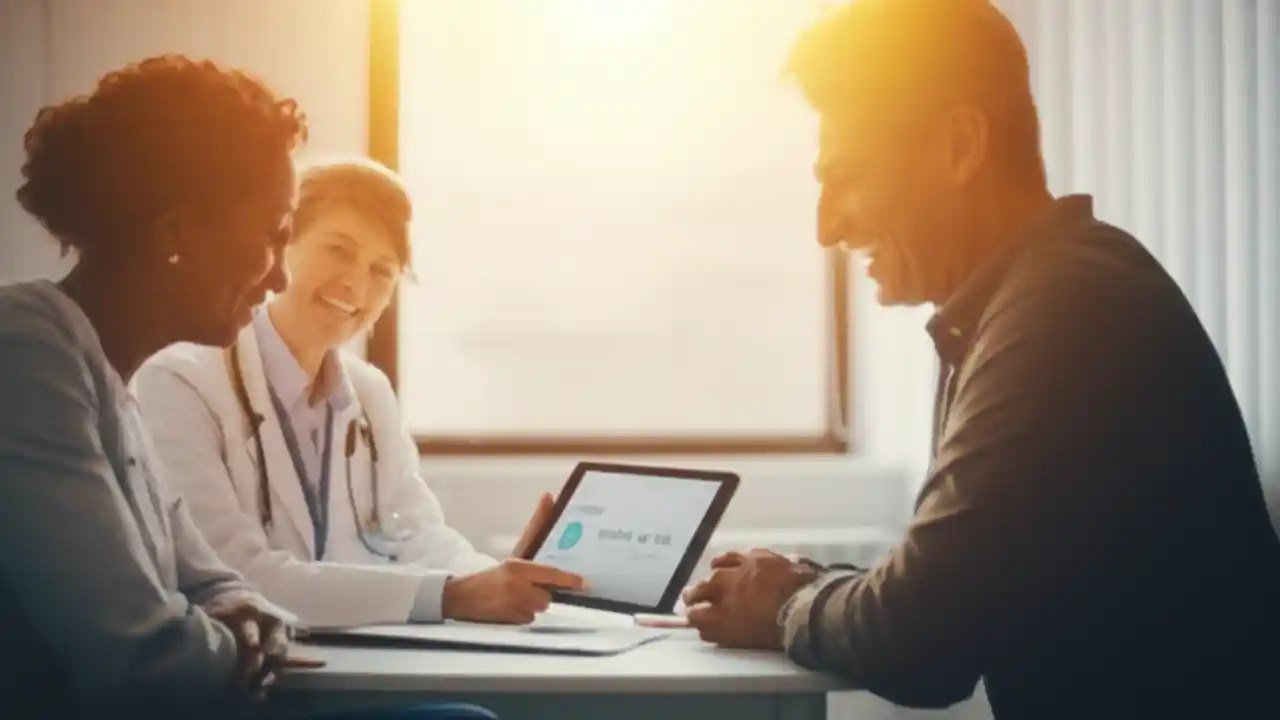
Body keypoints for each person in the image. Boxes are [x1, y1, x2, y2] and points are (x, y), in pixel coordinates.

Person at [681, 1, 1280, 717]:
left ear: (960, 145)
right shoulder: (1039, 294)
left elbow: (922, 645)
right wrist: (803, 588)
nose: (827, 225)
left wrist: (785, 604)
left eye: (847, 175)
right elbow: (944, 593)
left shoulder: (1067, 310)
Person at [133, 156, 584, 630]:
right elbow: (232, 575)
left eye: (382, 270)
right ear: (282, 244)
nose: (356, 283)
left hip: (354, 656)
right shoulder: (181, 379)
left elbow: (418, 534)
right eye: (339, 249)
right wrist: (454, 595)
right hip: (240, 679)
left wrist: (503, 580)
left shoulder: (369, 392)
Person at [0, 54, 311, 716]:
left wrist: (235, 615)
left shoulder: (110, 376)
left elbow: (220, 584)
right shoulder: (26, 353)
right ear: (177, 232)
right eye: (272, 235)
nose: (281, 277)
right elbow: (139, 660)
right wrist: (234, 641)